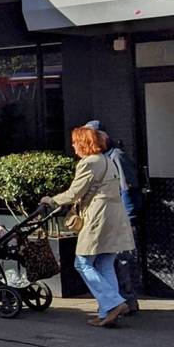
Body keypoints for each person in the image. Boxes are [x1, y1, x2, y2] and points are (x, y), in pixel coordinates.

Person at [41, 126, 135, 328]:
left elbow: (74, 193)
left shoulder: (88, 163)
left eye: (76, 142)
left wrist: (51, 200)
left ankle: (114, 303)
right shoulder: (107, 160)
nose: (73, 145)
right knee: (105, 263)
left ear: (84, 143)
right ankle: (106, 312)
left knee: (82, 262)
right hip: (114, 217)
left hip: (98, 217)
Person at [84, 120, 142, 315]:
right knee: (111, 261)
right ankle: (115, 302)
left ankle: (127, 301)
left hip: (121, 218)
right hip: (109, 219)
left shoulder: (115, 156)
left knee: (123, 260)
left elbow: (126, 188)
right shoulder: (100, 159)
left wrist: (127, 216)